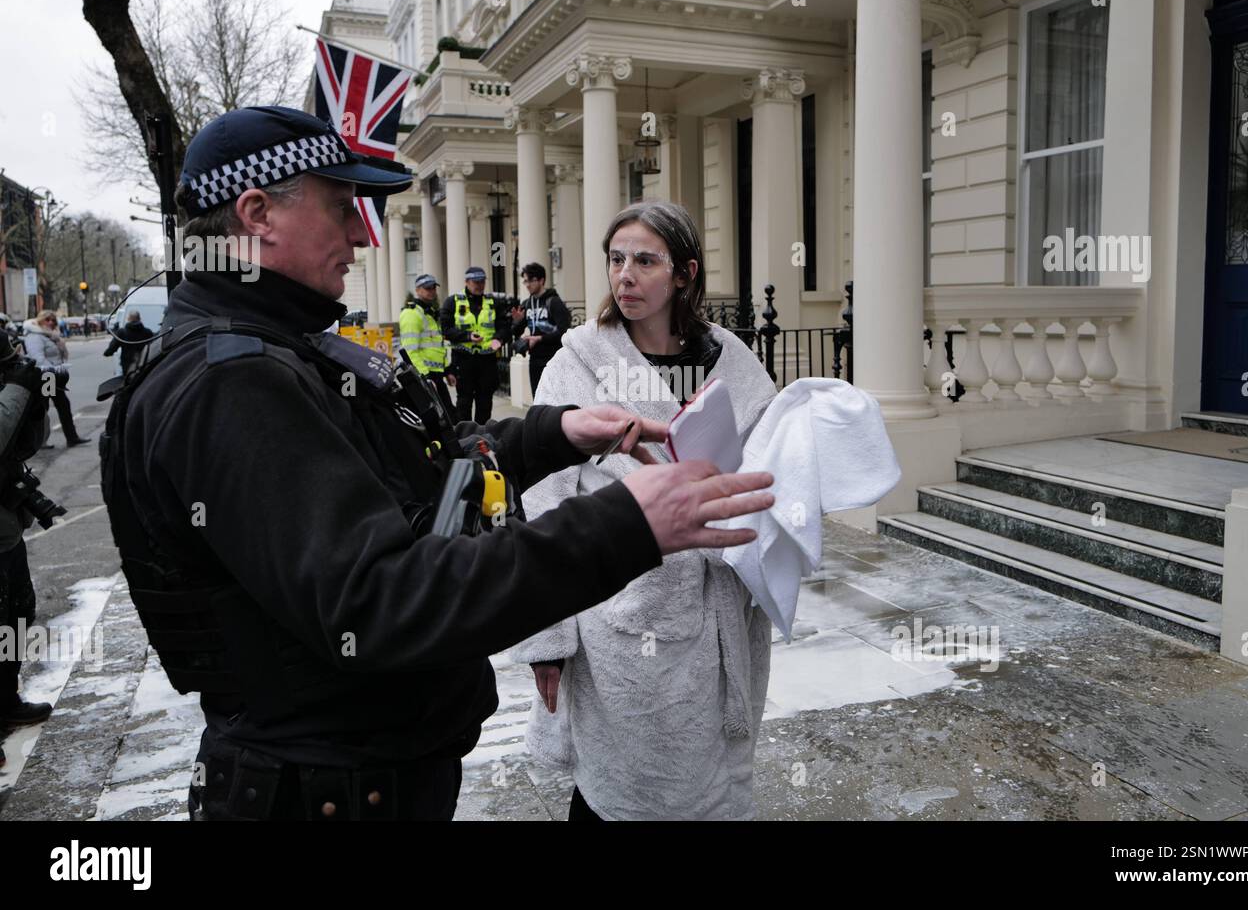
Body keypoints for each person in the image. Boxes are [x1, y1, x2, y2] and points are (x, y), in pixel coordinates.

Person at [98, 105, 774, 821]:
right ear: (257, 212)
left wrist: (553, 434)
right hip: (320, 787)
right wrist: (626, 523)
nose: (364, 232)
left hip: (364, 772)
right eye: (341, 206)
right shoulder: (230, 383)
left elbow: (432, 477)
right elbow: (382, 594)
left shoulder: (281, 350)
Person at [509, 201, 778, 820]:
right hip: (623, 620)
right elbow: (543, 502)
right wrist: (548, 639)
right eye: (616, 259)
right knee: (622, 791)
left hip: (720, 619)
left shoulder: (733, 362)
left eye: (645, 261)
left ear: (684, 274)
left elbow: (773, 475)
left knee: (709, 791)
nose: (625, 275)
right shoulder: (577, 363)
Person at [0, 334, 56, 761]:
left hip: (6, 531)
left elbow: (23, 444)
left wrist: (35, 406)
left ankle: (5, 701)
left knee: (18, 614)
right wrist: (18, 388)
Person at [440, 266, 507, 423]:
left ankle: (483, 436)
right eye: (475, 282)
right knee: (464, 402)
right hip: (463, 360)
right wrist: (467, 336)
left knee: (485, 402)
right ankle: (465, 437)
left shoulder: (493, 302)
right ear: (467, 282)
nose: (479, 285)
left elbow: (504, 327)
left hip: (487, 360)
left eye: (482, 282)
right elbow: (445, 329)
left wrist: (499, 338)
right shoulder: (453, 302)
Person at [23, 310, 90, 447]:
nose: (51, 322)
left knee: (63, 406)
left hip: (54, 376)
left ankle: (71, 437)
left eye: (53, 320)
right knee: (43, 408)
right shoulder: (35, 336)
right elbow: (38, 359)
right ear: (40, 321)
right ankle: (40, 441)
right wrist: (55, 370)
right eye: (47, 319)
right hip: (45, 376)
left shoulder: (50, 336)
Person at [509, 262, 571, 396]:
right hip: (535, 359)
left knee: (555, 398)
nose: (527, 284)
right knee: (538, 398)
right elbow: (516, 332)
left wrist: (540, 338)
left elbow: (564, 331)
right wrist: (517, 322)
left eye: (531, 280)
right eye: (525, 281)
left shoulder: (554, 302)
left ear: (541, 280)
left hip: (554, 358)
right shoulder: (527, 304)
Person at [398, 274, 455, 417]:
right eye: (427, 288)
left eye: (433, 287)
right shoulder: (411, 314)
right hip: (426, 375)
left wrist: (447, 371)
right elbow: (410, 351)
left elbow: (436, 347)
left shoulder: (429, 313)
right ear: (417, 290)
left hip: (435, 375)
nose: (432, 291)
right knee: (441, 417)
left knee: (447, 415)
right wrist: (425, 378)